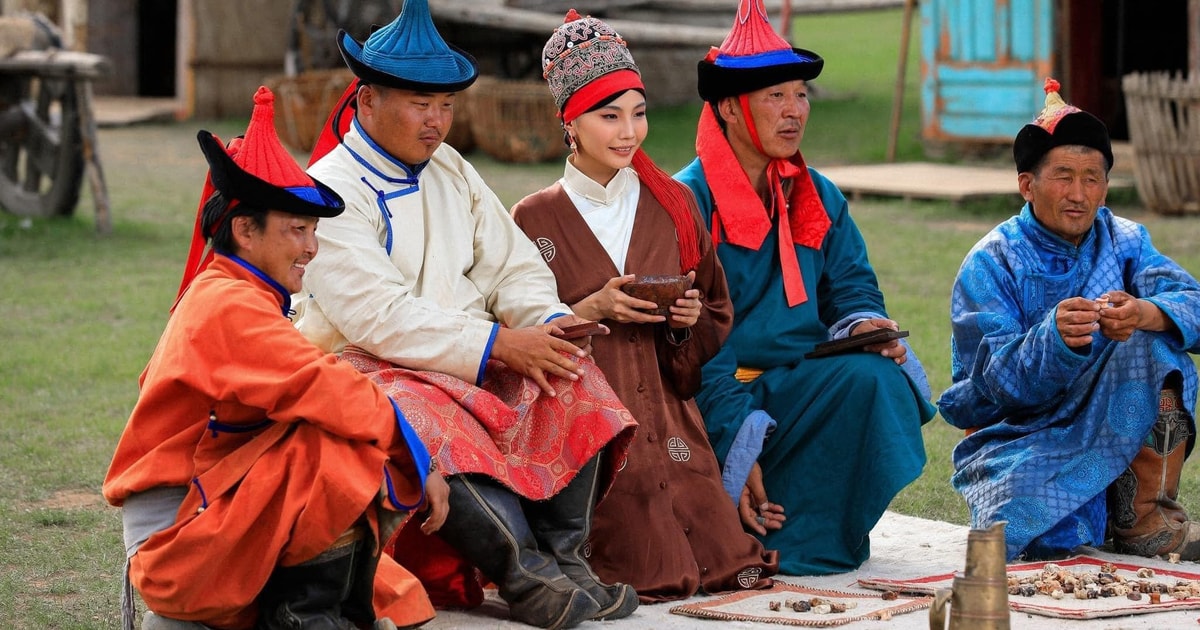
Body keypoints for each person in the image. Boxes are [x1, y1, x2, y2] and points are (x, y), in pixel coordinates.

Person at [295, 1, 639, 627]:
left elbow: (511, 265)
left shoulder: (451, 168)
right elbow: (378, 317)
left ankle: (568, 562)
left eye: (447, 104)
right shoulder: (331, 189)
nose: (437, 120)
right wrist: (498, 345)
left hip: (471, 349)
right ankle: (524, 575)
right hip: (368, 364)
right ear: (367, 100)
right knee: (423, 418)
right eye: (420, 103)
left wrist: (547, 321)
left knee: (569, 371)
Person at [102, 86, 445, 630]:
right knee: (334, 448)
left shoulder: (239, 292)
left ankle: (307, 611)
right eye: (297, 229)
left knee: (344, 453)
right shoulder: (227, 304)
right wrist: (418, 460)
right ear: (245, 230)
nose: (312, 247)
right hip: (179, 533)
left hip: (215, 501)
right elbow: (322, 384)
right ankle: (300, 619)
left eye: (314, 231)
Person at [510, 10, 779, 602]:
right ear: (570, 121)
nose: (629, 132)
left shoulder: (674, 203)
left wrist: (686, 323)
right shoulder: (532, 219)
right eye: (609, 116)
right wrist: (590, 307)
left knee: (724, 558)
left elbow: (715, 309)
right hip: (589, 427)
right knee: (643, 561)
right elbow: (513, 333)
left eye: (639, 113)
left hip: (671, 418)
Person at [673, 0, 937, 576]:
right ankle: (740, 522)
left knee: (875, 378)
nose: (795, 111)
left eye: (801, 94)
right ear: (729, 108)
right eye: (776, 96)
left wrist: (865, 324)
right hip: (704, 395)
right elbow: (693, 339)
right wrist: (736, 437)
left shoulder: (816, 193)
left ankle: (814, 535)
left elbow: (853, 284)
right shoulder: (685, 202)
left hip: (795, 383)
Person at [939, 77, 1200, 562]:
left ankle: (1143, 518)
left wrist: (1144, 312)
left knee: (1154, 343)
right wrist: (1053, 340)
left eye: (1092, 178)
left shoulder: (1125, 240)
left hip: (1112, 414)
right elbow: (992, 382)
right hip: (1022, 432)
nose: (1079, 193)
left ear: (1105, 188)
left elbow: (1193, 302)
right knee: (1040, 532)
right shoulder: (992, 261)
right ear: (1027, 185)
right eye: (1063, 176)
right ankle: (1098, 505)